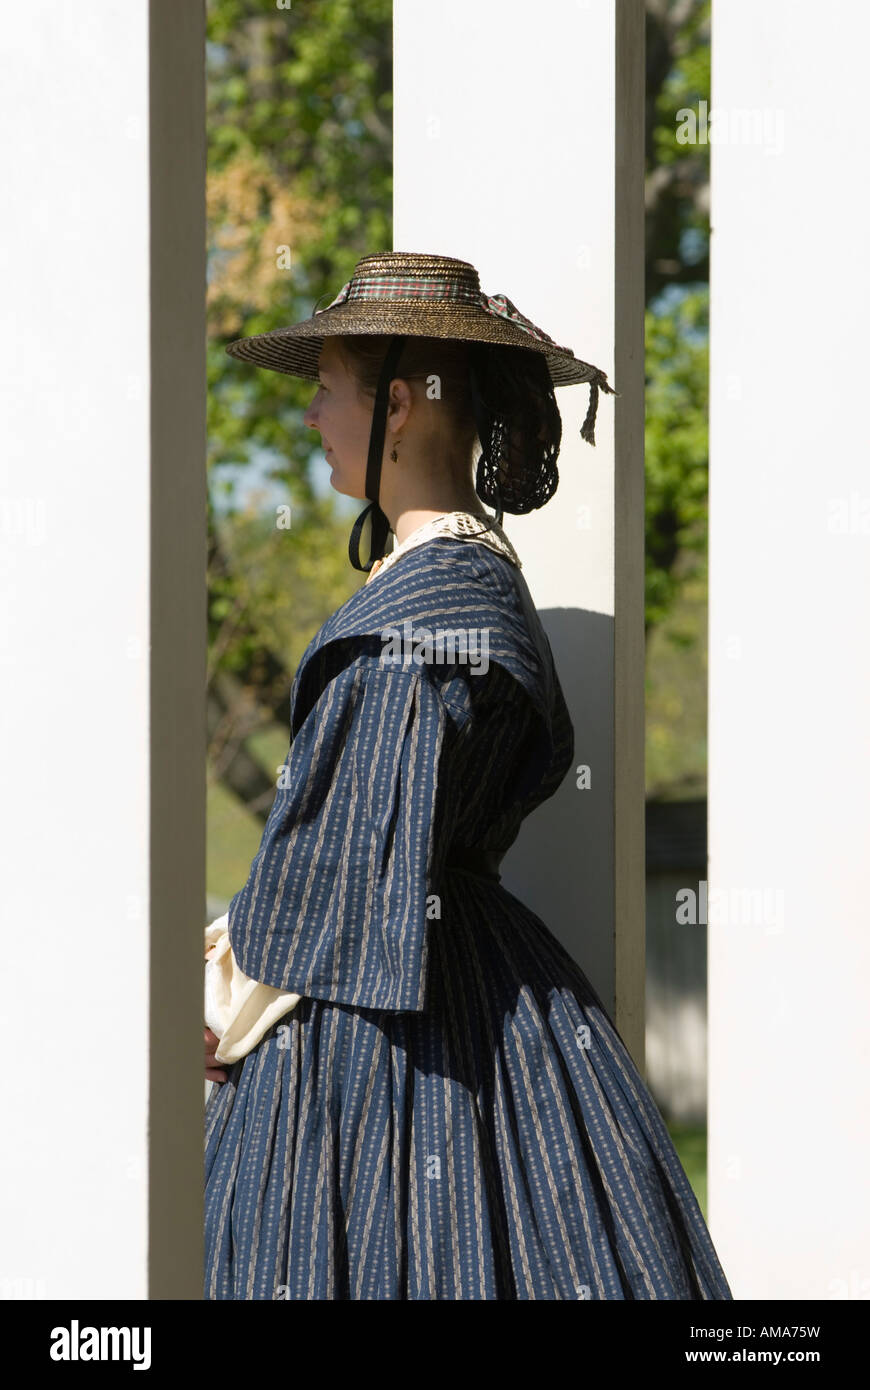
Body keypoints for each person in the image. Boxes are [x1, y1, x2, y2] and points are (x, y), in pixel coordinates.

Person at [203, 250, 733, 1300]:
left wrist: (215, 1006)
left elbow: (341, 877)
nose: (312, 418)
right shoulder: (457, 587)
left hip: (378, 1022)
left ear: (398, 404)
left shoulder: (428, 610)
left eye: (326, 391)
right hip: (467, 985)